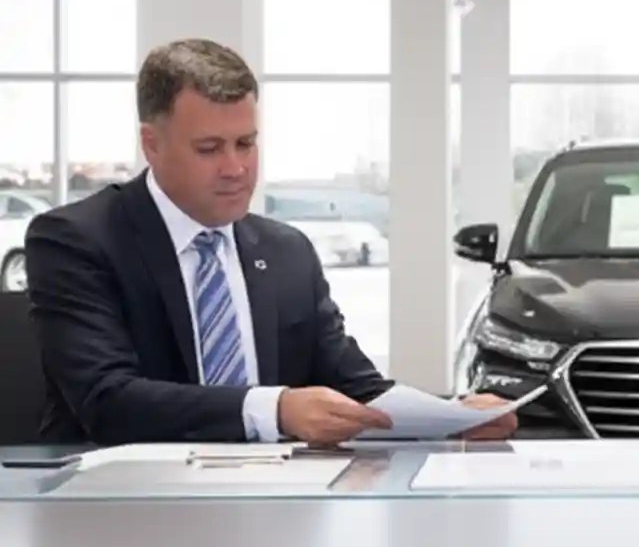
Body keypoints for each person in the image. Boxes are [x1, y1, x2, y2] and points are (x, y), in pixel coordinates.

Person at [25, 38, 516, 446]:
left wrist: (450, 418)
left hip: (275, 502)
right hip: (120, 507)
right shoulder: (77, 240)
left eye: (246, 143)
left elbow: (354, 387)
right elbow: (107, 401)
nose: (236, 168)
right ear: (151, 144)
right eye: (209, 149)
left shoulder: (287, 252)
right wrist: (274, 409)